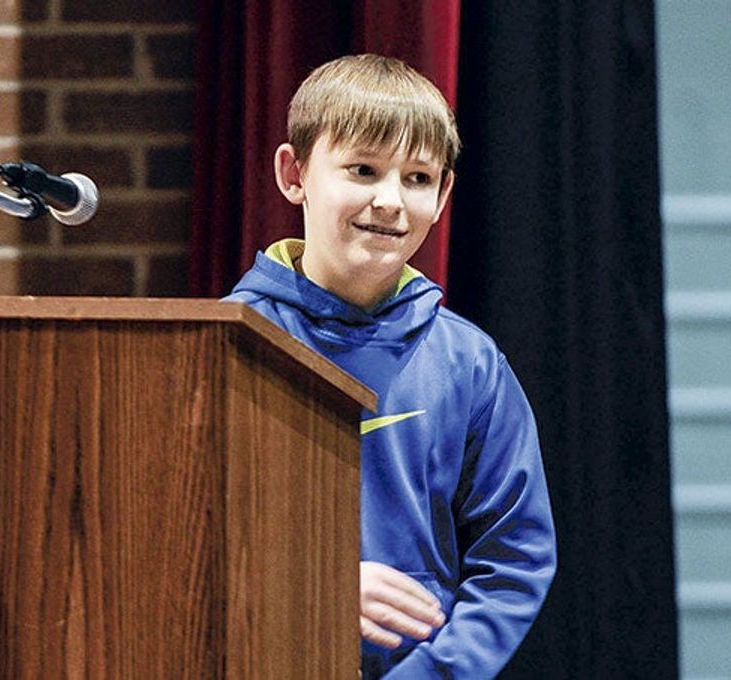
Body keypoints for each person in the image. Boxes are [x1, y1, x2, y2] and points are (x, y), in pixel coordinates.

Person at [225, 54, 557, 678]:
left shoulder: (470, 364)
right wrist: (314, 590)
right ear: (294, 174)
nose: (389, 201)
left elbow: (515, 562)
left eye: (417, 178)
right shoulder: (222, 346)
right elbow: (169, 542)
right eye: (362, 169)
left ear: (443, 195)